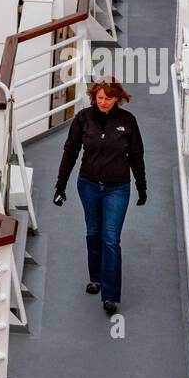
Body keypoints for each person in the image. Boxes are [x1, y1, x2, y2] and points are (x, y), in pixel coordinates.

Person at [52, 77, 146, 315]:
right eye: (100, 98)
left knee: (111, 239)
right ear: (94, 97)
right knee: (93, 233)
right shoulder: (83, 118)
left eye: (108, 98)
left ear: (118, 99)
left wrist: (142, 187)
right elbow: (70, 152)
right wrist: (60, 185)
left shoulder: (128, 121)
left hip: (118, 188)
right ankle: (96, 279)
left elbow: (136, 156)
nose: (103, 102)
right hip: (89, 186)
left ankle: (110, 295)